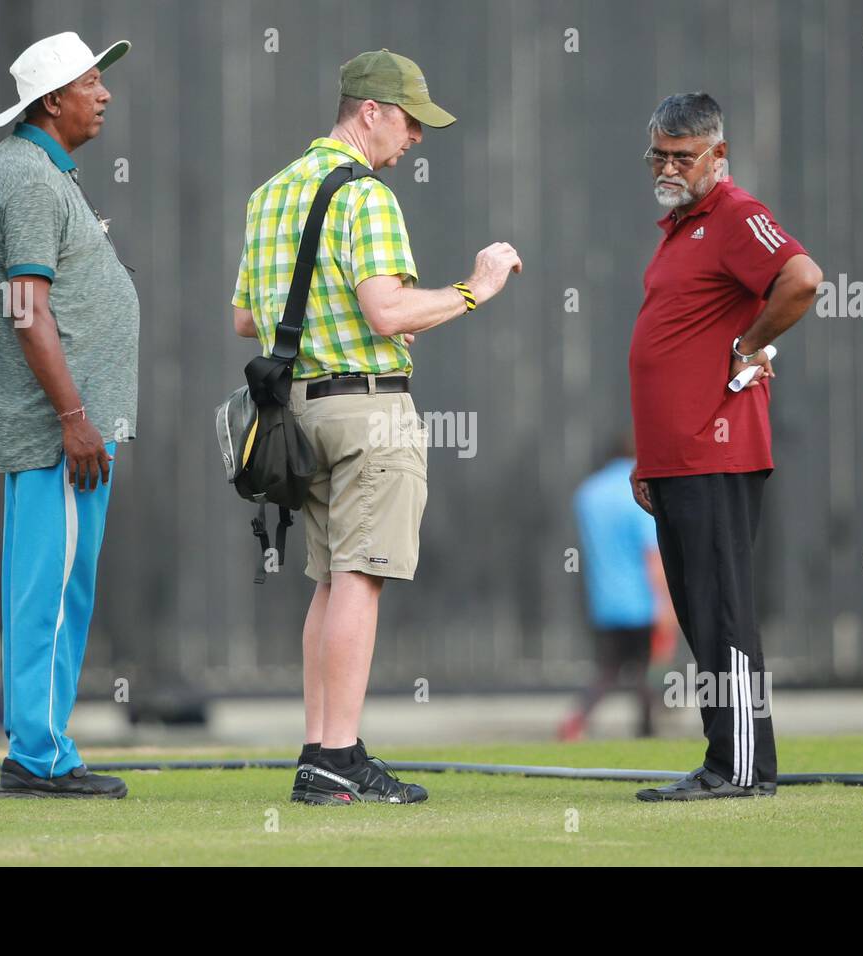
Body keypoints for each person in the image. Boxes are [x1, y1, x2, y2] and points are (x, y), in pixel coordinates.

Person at [231, 49, 521, 805]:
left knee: (328, 580)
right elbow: (387, 310)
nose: (416, 138)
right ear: (370, 112)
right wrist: (474, 288)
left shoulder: (269, 194)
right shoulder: (367, 196)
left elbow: (245, 319)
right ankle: (337, 757)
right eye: (411, 120)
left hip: (296, 412)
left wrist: (362, 323)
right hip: (367, 414)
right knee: (361, 575)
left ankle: (320, 750)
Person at [628, 93, 823, 801]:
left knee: (724, 613)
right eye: (661, 153)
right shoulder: (681, 227)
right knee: (701, 614)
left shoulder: (736, 214)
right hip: (678, 460)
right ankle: (726, 761)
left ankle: (739, 768)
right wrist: (649, 462)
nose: (670, 166)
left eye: (685, 155)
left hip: (717, 452)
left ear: (719, 156)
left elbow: (802, 280)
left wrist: (751, 343)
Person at [0, 32, 138, 798]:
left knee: (51, 591)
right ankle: (38, 757)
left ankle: (41, 748)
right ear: (52, 101)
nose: (104, 94)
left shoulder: (21, 170)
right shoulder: (29, 177)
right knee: (54, 595)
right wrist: (73, 415)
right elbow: (28, 310)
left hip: (61, 433)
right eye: (91, 82)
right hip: (60, 435)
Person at [559, 442, 677, 741]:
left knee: (610, 668)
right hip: (642, 600)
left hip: (605, 599)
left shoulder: (588, 492)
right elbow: (651, 554)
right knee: (646, 669)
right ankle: (648, 730)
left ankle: (576, 720)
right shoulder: (638, 489)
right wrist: (666, 603)